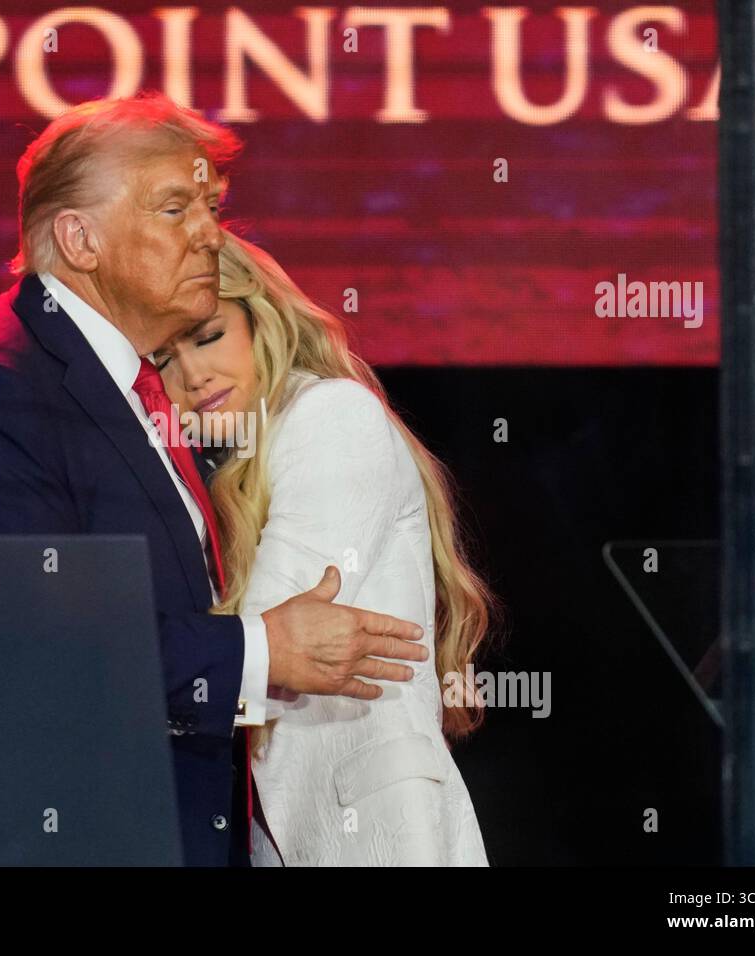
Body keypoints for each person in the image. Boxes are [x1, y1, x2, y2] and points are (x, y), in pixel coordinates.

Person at [0, 93, 429, 867]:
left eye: (211, 206)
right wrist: (260, 653)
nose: (210, 234)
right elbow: (25, 650)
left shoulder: (124, 388)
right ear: (80, 239)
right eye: (176, 208)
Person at [150, 228, 498, 865]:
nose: (195, 376)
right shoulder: (227, 468)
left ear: (261, 322)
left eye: (208, 337)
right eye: (164, 360)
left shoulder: (330, 415)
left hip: (374, 829)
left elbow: (271, 633)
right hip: (289, 831)